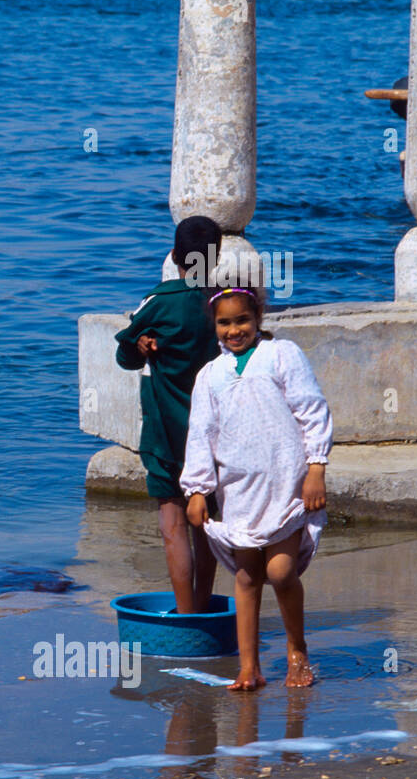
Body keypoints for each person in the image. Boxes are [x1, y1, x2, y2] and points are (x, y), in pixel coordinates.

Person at [180, 287, 332, 691]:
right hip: (239, 491)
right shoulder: (210, 375)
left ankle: (296, 648)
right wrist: (197, 489)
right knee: (247, 578)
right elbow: (201, 434)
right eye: (224, 323)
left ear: (259, 317)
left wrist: (316, 467)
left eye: (242, 320)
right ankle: (249, 667)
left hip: (286, 485)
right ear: (213, 326)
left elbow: (312, 410)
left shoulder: (282, 355)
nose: (234, 330)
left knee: (281, 571)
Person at [114, 215, 223, 613]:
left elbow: (124, 354)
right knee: (205, 522)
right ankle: (204, 601)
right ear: (217, 257)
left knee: (173, 524)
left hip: (165, 433)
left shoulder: (158, 303)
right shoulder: (223, 303)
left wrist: (141, 345)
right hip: (212, 435)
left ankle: (185, 614)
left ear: (175, 255)